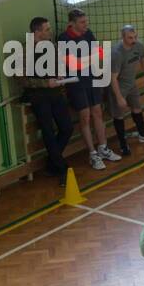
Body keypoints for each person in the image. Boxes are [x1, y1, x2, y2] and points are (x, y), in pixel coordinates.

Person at [59, 9, 119, 171]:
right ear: (72, 24)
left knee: (97, 112)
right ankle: (92, 154)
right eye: (82, 22)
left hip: (91, 78)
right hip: (76, 83)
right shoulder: (63, 39)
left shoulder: (88, 33)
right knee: (84, 117)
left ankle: (103, 147)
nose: (86, 25)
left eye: (86, 21)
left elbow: (98, 52)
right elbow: (72, 64)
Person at [21, 17, 75, 186]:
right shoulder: (23, 51)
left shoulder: (51, 46)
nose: (50, 32)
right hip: (38, 96)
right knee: (48, 131)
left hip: (56, 92)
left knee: (67, 127)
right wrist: (46, 82)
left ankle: (52, 163)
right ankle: (61, 168)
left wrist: (59, 74)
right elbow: (22, 79)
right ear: (37, 32)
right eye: (46, 29)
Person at [109, 25, 144, 157]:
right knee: (119, 115)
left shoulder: (138, 46)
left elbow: (143, 59)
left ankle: (142, 135)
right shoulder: (117, 53)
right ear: (123, 37)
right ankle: (122, 144)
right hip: (118, 86)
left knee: (137, 108)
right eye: (130, 38)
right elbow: (112, 78)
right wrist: (119, 97)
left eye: (135, 36)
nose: (134, 40)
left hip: (132, 84)